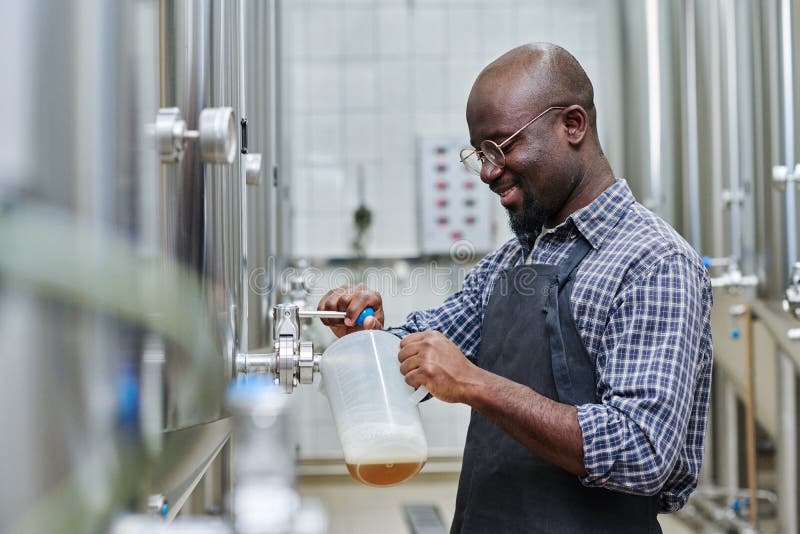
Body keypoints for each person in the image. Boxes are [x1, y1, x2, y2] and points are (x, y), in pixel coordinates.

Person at [318, 43, 712, 533]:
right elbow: (428, 351)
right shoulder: (514, 259)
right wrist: (368, 334)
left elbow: (641, 449)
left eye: (502, 147)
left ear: (572, 125)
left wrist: (477, 385)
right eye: (480, 153)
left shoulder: (652, 262)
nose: (487, 171)